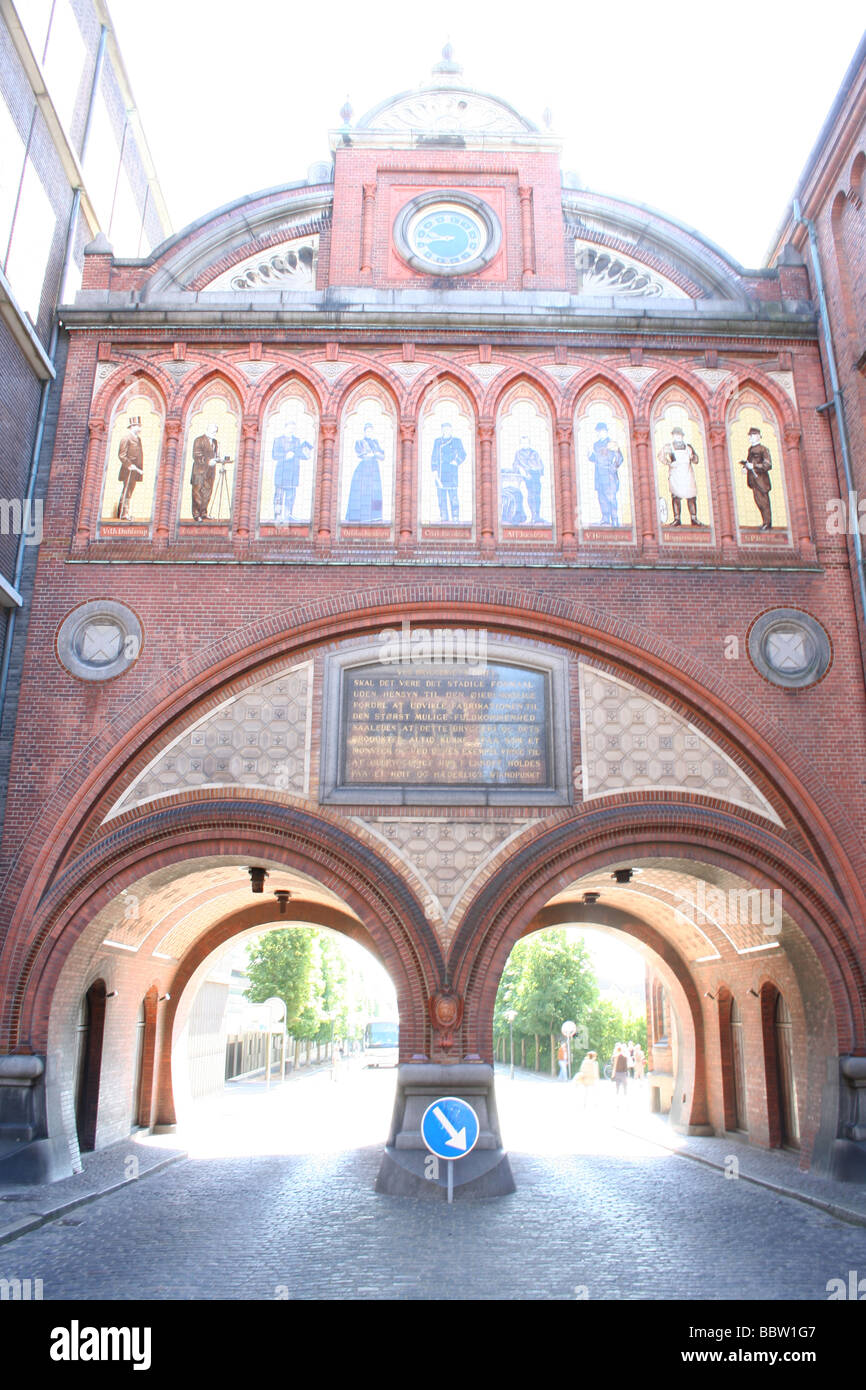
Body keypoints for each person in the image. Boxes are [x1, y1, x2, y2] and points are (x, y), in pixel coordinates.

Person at [659, 424, 703, 526]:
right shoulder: (669, 447)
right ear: (673, 436)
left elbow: (696, 460)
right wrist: (668, 463)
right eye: (676, 435)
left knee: (691, 496)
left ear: (682, 436)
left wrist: (693, 457)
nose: (678, 437)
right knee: (676, 496)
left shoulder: (688, 447)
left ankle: (694, 518)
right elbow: (660, 456)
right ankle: (677, 519)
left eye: (679, 435)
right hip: (676, 474)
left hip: (687, 473)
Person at [271, 418, 312, 522]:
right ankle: (277, 516)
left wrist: (306, 453)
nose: (291, 431)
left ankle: (288, 515)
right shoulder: (278, 440)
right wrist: (285, 455)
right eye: (290, 429)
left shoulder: (297, 440)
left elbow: (299, 453)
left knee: (290, 496)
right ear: (285, 428)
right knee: (279, 496)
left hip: (293, 472)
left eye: (293, 429)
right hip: (282, 471)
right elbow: (274, 455)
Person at [345, 422, 384, 523]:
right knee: (362, 491)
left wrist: (375, 454)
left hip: (374, 470)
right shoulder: (360, 442)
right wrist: (371, 454)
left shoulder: (375, 442)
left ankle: (375, 516)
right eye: (367, 431)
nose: (369, 433)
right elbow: (360, 453)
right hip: (363, 469)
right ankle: (359, 517)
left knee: (375, 492)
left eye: (370, 431)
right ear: (364, 432)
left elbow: (382, 455)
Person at [588, 420, 624, 526]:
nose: (599, 433)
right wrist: (590, 455)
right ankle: (605, 518)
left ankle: (615, 519)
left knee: (611, 497)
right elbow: (595, 458)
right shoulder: (596, 445)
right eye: (598, 431)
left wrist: (614, 467)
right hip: (599, 474)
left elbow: (619, 458)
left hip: (609, 475)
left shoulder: (612, 443)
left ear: (606, 432)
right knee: (601, 497)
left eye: (601, 431)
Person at [430, 421, 466, 522]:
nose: (446, 430)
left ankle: (455, 517)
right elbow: (434, 456)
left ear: (451, 430)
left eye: (448, 428)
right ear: (442, 430)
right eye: (444, 429)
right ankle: (444, 517)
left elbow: (463, 454)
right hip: (440, 473)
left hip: (451, 472)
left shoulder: (456, 441)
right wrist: (434, 470)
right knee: (441, 497)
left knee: (453, 496)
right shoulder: (437, 441)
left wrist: (456, 461)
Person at [739, 425, 773, 529]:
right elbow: (749, 461)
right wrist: (745, 467)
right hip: (753, 481)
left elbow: (768, 465)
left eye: (752, 435)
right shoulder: (751, 449)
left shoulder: (763, 449)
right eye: (750, 436)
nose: (750, 438)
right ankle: (764, 522)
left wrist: (754, 466)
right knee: (758, 502)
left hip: (761, 481)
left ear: (758, 436)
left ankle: (767, 523)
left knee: (764, 502)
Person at [191, 421, 220, 521]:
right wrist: (208, 461)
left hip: (210, 472)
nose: (214, 433)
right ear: (207, 430)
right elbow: (196, 455)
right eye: (212, 431)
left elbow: (215, 454)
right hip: (199, 471)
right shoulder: (199, 440)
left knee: (207, 492)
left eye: (215, 432)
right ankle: (196, 514)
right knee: (197, 492)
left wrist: (218, 459)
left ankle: (204, 513)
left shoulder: (215, 442)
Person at [512, 434, 545, 524]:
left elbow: (540, 465)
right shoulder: (518, 454)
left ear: (529, 443)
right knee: (528, 496)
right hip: (525, 478)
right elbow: (515, 465)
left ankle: (536, 516)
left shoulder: (534, 453)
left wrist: (536, 471)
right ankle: (530, 516)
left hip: (535, 477)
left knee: (536, 497)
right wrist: (520, 469)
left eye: (526, 442)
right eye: (523, 442)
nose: (525, 444)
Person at [116, 416, 143, 520]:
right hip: (128, 469)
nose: (140, 428)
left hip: (135, 469)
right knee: (126, 490)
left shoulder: (138, 439)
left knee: (130, 491)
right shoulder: (126, 438)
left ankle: (125, 512)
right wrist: (130, 465)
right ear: (132, 426)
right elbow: (121, 455)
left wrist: (139, 468)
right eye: (138, 426)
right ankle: (123, 513)